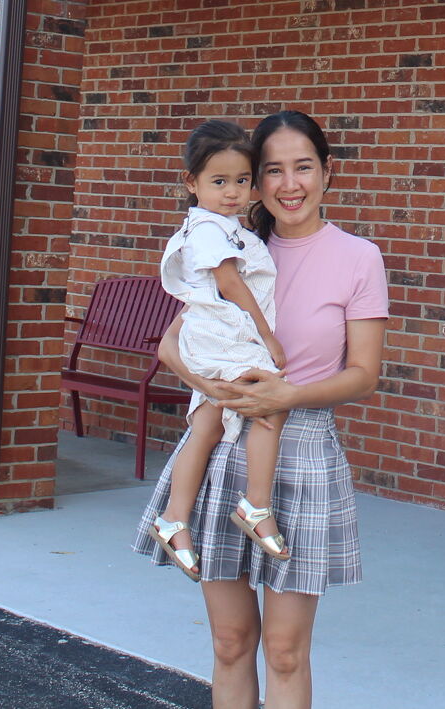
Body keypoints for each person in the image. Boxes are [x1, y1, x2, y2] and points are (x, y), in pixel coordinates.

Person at [133, 110, 388, 709]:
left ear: (328, 172)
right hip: (223, 444)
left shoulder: (357, 257)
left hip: (299, 452)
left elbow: (364, 375)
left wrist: (288, 394)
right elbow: (173, 343)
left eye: (303, 167)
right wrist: (213, 390)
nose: (289, 184)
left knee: (284, 649)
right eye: (272, 170)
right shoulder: (232, 245)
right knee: (228, 640)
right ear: (254, 179)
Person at [146, 120, 291, 582]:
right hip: (225, 334)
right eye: (219, 181)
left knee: (207, 425)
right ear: (191, 183)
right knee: (269, 404)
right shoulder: (208, 229)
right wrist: (267, 336)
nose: (233, 192)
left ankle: (173, 519)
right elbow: (229, 283)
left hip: (215, 334)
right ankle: (255, 504)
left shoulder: (223, 226)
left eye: (242, 181)